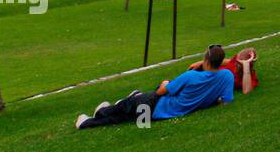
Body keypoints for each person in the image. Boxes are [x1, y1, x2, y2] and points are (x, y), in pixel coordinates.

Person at [75, 44, 237, 129]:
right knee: (127, 116)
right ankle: (132, 98)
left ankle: (89, 120)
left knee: (123, 109)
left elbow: (161, 91)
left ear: (206, 61)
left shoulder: (191, 76)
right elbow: (226, 101)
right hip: (155, 116)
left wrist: (166, 83)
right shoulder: (226, 76)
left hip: (152, 106)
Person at [189, 46, 259, 96]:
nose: (236, 63)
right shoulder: (235, 61)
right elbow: (225, 61)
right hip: (211, 72)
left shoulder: (249, 77)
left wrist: (246, 65)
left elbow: (246, 91)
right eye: (237, 60)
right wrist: (203, 62)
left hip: (212, 79)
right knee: (192, 69)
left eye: (239, 63)